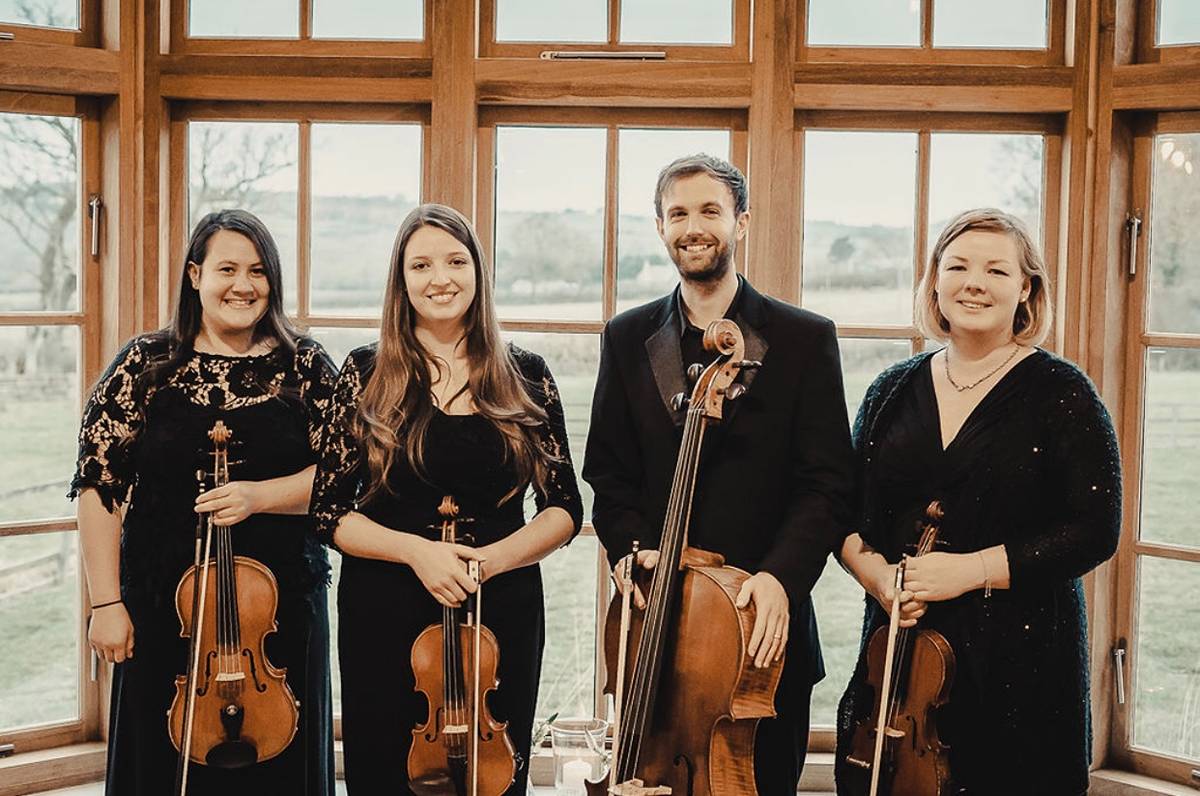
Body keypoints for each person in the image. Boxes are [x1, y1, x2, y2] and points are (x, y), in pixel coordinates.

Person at [582, 153, 854, 794]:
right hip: (661, 624)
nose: (693, 226)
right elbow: (609, 475)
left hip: (760, 632)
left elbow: (827, 483)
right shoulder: (626, 337)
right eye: (678, 213)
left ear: (741, 222)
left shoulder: (803, 338)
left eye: (710, 210)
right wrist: (632, 551)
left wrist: (781, 579)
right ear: (659, 226)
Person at [834, 208, 1122, 795]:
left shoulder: (1063, 392)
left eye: (996, 270)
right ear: (935, 282)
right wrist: (880, 579)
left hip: (1022, 659)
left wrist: (968, 571)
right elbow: (841, 511)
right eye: (958, 265)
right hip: (902, 651)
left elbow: (1096, 529)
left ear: (1026, 289)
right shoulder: (891, 389)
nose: (974, 282)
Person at [310, 203, 583, 795]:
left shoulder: (527, 374)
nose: (441, 278)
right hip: (385, 607)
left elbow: (564, 507)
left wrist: (489, 561)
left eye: (457, 261)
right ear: (400, 280)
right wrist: (418, 553)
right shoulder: (363, 372)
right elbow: (329, 513)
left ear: (478, 274)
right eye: (422, 265)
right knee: (386, 772)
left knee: (488, 777)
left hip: (500, 608)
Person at [72, 209, 337, 795]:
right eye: (227, 269)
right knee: (162, 767)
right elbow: (99, 486)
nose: (244, 285)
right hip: (164, 606)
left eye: (259, 271)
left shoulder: (306, 365)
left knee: (279, 769)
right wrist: (105, 603)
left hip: (279, 614)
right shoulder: (145, 365)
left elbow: (346, 477)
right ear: (195, 275)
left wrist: (260, 496)